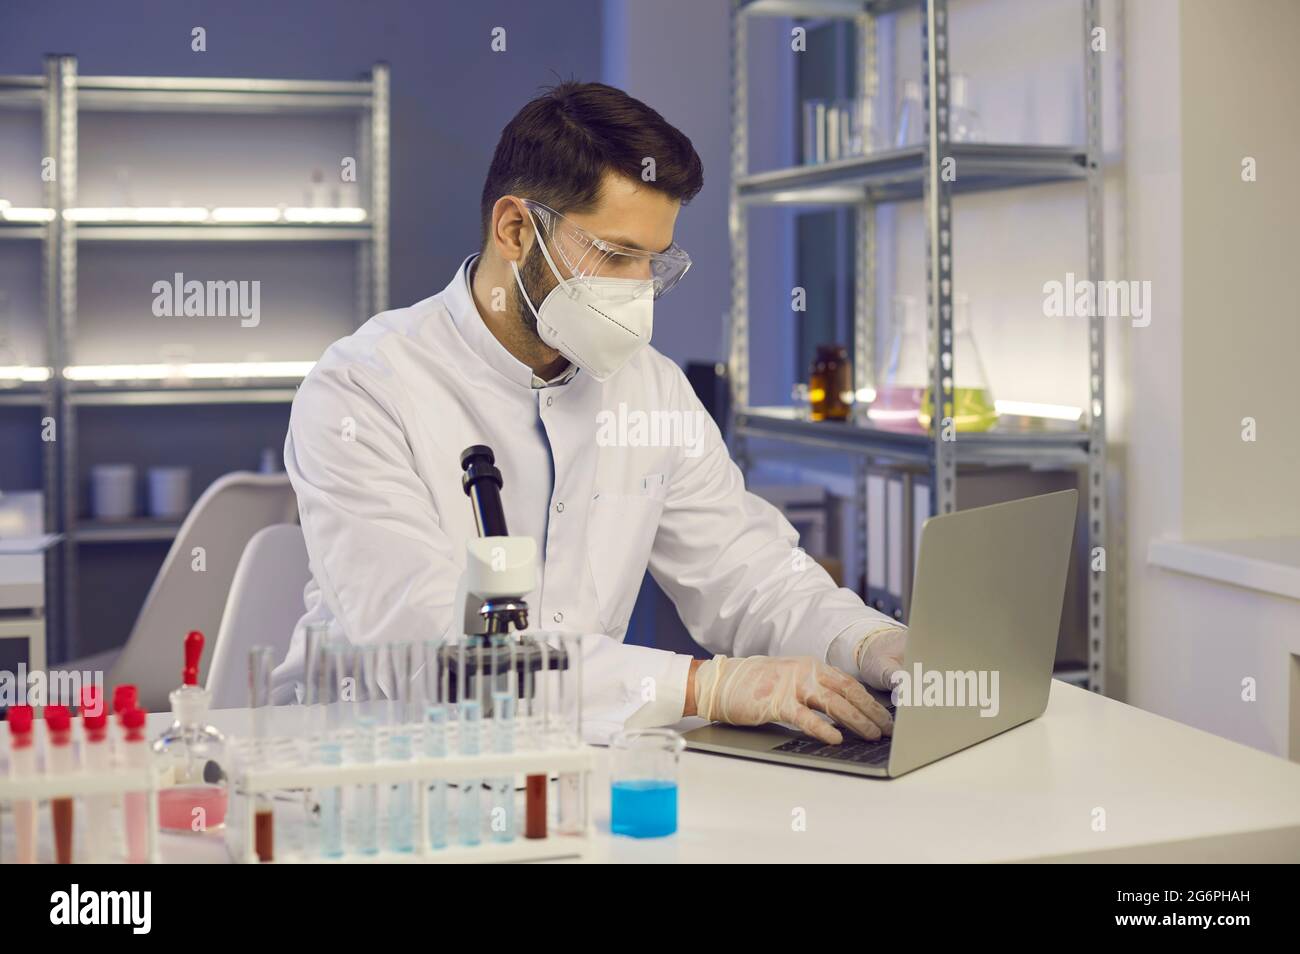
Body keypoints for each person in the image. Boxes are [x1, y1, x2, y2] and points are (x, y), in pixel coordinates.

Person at [273, 81, 906, 744]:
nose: (638, 289)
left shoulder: (651, 391)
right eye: (614, 254)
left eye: (653, 262)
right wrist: (707, 687)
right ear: (515, 229)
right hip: (367, 766)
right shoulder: (362, 388)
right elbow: (430, 652)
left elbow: (749, 574)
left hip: (571, 761)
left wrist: (869, 644)